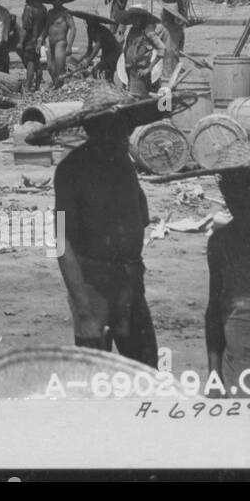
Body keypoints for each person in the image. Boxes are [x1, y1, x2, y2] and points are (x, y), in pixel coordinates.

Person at [36, 90, 167, 367]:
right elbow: (60, 241)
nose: (119, 135)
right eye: (110, 129)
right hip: (92, 286)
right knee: (94, 377)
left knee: (146, 370)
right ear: (93, 129)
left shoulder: (124, 164)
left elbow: (141, 215)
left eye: (123, 128)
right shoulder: (71, 171)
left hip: (130, 282)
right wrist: (82, 308)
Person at [203, 151, 250, 396]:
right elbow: (214, 311)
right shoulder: (220, 243)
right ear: (225, 195)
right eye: (233, 190)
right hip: (236, 367)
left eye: (249, 188)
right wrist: (214, 375)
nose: (241, 198)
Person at [118, 8, 167, 95]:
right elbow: (127, 49)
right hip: (130, 70)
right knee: (131, 96)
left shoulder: (148, 32)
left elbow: (162, 49)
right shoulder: (131, 31)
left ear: (143, 18)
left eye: (138, 18)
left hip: (141, 73)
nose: (135, 20)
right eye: (133, 18)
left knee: (139, 97)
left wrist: (148, 69)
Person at [18, 0, 48, 92]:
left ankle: (28, 84)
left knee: (30, 62)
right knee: (37, 62)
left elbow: (26, 27)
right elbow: (45, 25)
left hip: (30, 40)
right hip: (39, 40)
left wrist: (21, 42)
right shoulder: (43, 8)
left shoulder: (29, 8)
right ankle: (37, 85)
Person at [45, 0, 77, 89]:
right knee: (50, 67)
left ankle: (59, 87)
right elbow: (46, 27)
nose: (56, 1)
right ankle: (56, 84)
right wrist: (41, 38)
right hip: (50, 42)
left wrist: (69, 46)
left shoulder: (66, 13)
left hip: (60, 42)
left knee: (60, 69)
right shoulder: (50, 12)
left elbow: (73, 28)